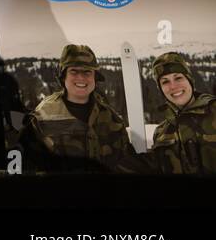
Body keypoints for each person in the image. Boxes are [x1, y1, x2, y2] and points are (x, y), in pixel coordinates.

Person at [17, 44, 148, 174]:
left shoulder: (110, 118)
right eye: (74, 71)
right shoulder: (42, 118)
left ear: (95, 78)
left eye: (87, 71)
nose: (81, 77)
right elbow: (25, 166)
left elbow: (125, 163)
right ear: (63, 76)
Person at [148, 51, 216, 175]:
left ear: (189, 80)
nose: (173, 86)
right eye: (165, 82)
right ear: (161, 89)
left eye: (178, 78)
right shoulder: (161, 132)